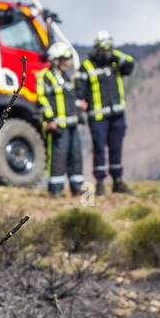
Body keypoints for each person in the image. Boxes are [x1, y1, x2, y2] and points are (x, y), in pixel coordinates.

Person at [78, 31, 136, 195]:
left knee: (116, 147)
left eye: (108, 48)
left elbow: (130, 65)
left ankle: (117, 181)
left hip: (117, 114)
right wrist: (80, 104)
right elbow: (79, 91)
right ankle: (100, 183)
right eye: (103, 48)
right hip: (97, 116)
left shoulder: (115, 61)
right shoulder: (87, 66)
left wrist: (115, 55)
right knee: (99, 149)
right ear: (96, 48)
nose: (106, 51)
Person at [36, 41, 86, 197]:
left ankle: (77, 188)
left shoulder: (66, 77)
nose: (68, 62)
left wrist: (80, 106)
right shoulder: (46, 77)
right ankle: (55, 190)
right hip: (57, 127)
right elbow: (42, 100)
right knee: (57, 157)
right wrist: (50, 119)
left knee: (75, 157)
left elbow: (70, 99)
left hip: (72, 125)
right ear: (56, 59)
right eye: (65, 58)